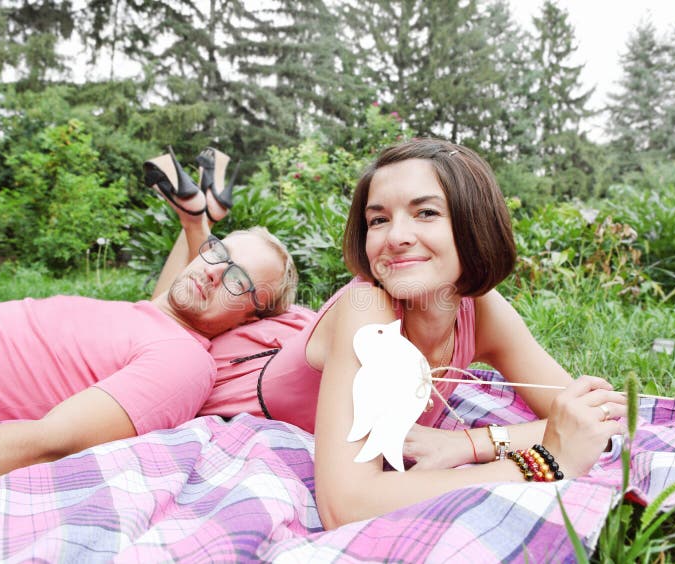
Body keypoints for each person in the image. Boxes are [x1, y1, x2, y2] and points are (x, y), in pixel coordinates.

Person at [200, 138, 625, 529]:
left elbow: (590, 415)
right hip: (240, 385)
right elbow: (345, 504)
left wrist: (469, 444)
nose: (397, 237)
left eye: (426, 212)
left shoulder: (481, 307)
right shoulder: (367, 311)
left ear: (474, 225)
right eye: (378, 219)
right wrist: (541, 462)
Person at [0, 148, 298, 505]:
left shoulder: (184, 360)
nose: (215, 272)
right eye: (219, 252)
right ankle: (203, 213)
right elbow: (179, 285)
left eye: (238, 280)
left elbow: (52, 442)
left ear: (250, 317)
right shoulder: (156, 315)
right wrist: (196, 223)